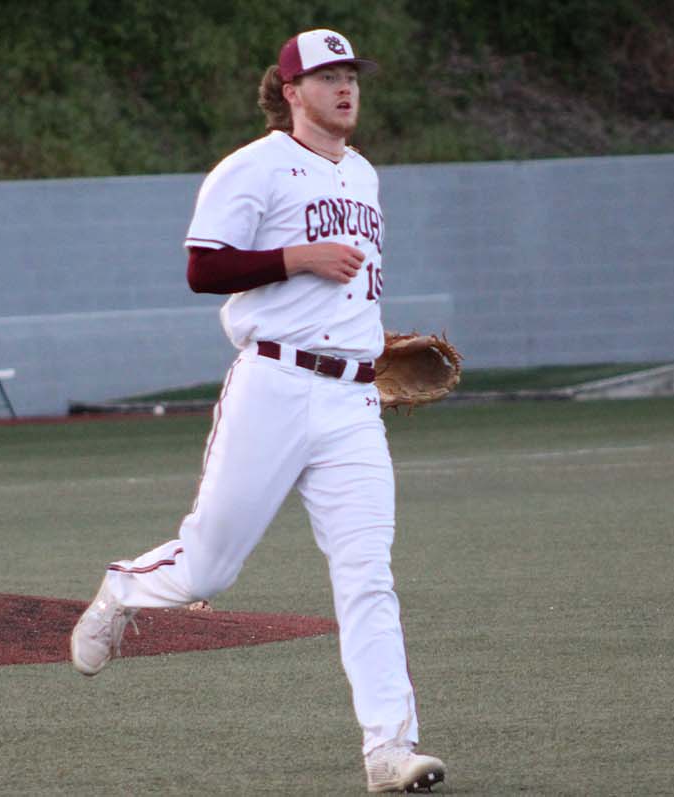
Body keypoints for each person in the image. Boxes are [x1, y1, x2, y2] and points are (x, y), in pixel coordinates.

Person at [70, 28, 446, 793]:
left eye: (353, 75)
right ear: (290, 91)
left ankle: (390, 750)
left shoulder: (365, 175)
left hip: (351, 398)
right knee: (212, 564)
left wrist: (367, 341)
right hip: (272, 386)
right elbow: (203, 267)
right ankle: (124, 588)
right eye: (329, 75)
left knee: (368, 574)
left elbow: (351, 285)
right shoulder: (253, 167)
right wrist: (295, 259)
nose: (347, 87)